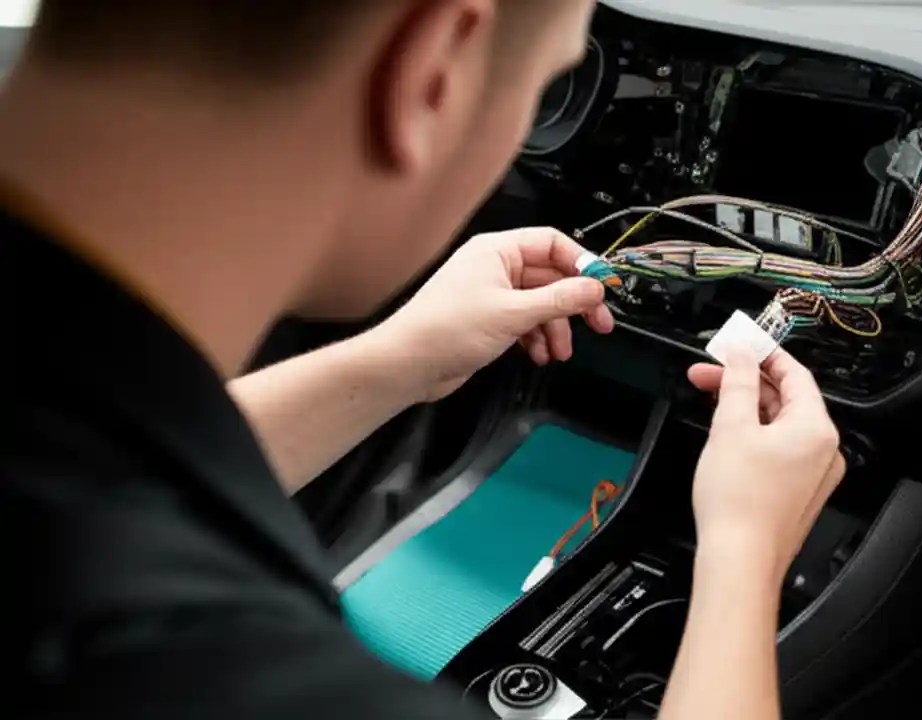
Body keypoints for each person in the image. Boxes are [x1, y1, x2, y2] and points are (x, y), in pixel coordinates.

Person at [0, 1, 846, 718]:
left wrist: (397, 362)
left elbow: (110, 461)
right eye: (545, 84)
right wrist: (744, 552)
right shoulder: (214, 674)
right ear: (432, 67)